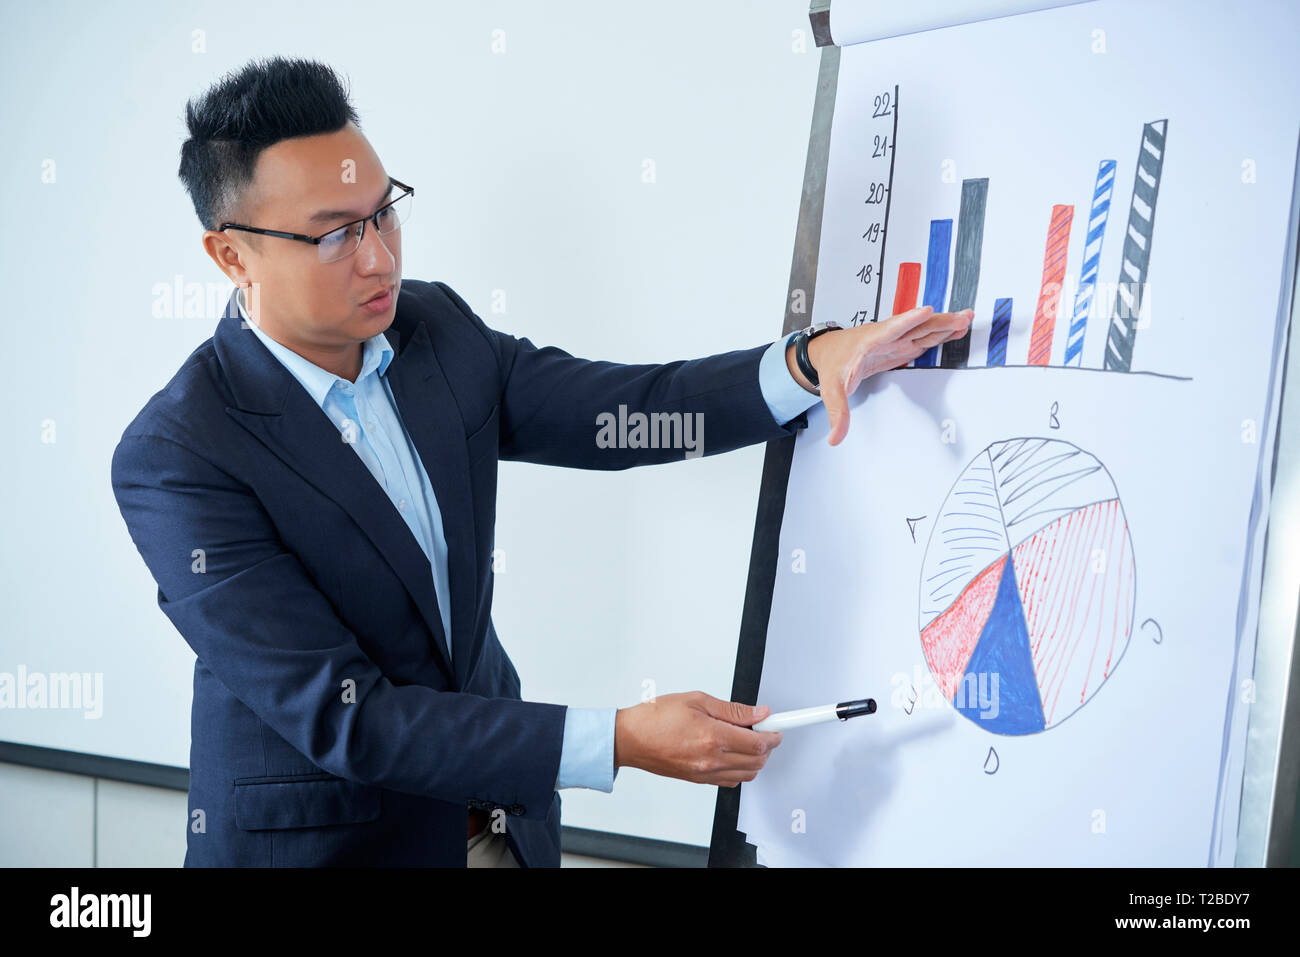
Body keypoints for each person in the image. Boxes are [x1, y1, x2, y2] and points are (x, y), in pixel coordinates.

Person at [110, 56, 973, 868]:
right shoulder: (179, 454)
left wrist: (803, 362)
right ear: (231, 254)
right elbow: (352, 717)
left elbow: (627, 414)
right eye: (334, 235)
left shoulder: (431, 331)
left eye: (385, 212)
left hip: (497, 826)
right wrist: (620, 738)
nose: (380, 257)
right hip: (331, 847)